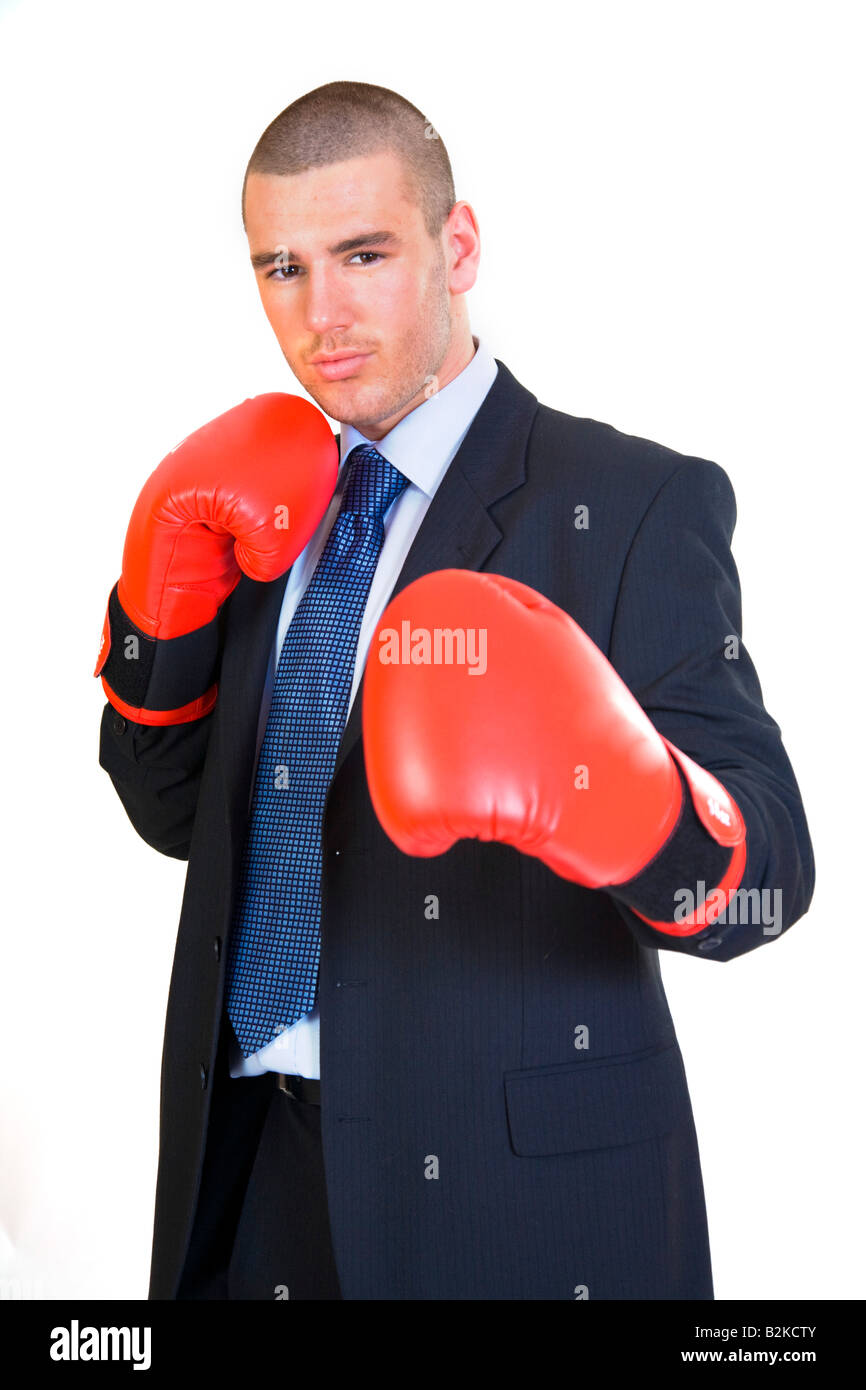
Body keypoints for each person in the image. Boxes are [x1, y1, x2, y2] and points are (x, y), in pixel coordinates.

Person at [96, 80, 815, 1301]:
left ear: (456, 245)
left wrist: (616, 795)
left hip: (509, 1199)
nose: (320, 312)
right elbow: (173, 813)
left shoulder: (629, 502)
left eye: (363, 253)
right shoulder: (267, 506)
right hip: (249, 1170)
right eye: (281, 267)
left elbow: (768, 884)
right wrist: (153, 603)